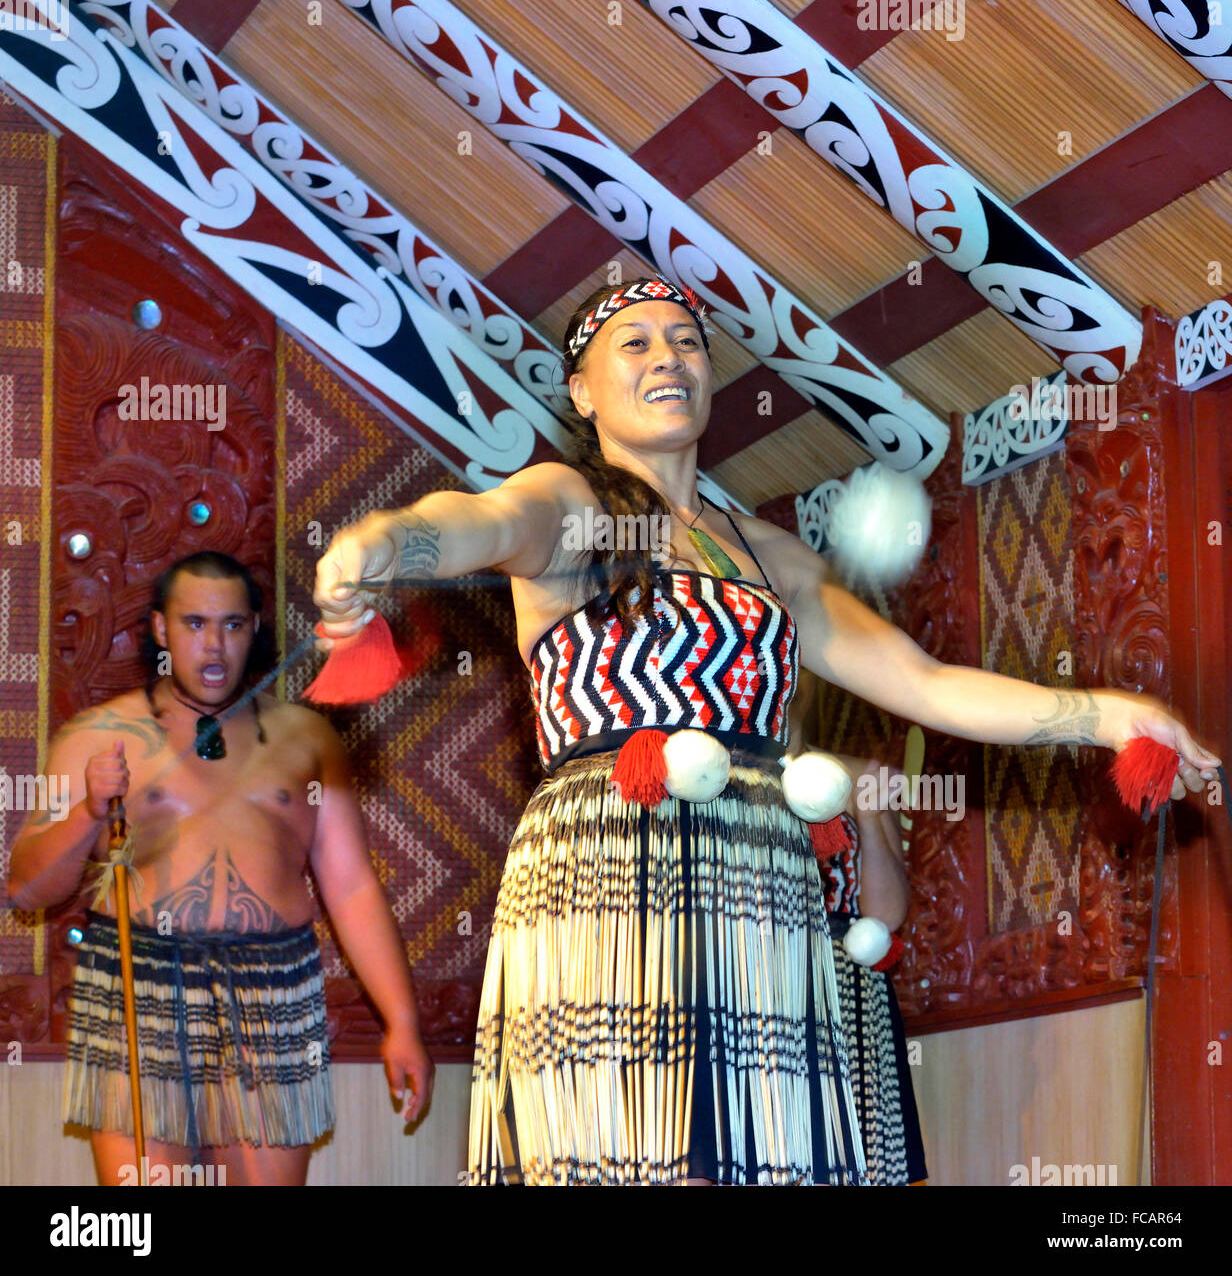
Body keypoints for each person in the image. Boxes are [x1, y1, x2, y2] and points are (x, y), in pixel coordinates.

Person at [312, 275, 1220, 1186]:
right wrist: (381, 549)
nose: (667, 356)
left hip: (762, 881)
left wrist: (1107, 714)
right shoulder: (570, 507)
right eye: (635, 343)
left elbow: (928, 684)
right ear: (582, 393)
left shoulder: (770, 556)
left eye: (686, 341)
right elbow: (471, 522)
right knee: (635, 1155)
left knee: (755, 1157)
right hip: (609, 871)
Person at [8, 551, 433, 1186]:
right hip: (137, 983)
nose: (215, 644)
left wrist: (402, 1022)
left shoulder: (306, 739)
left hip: (273, 988)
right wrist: (88, 811)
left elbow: (351, 888)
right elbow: (25, 888)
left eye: (233, 625)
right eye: (195, 624)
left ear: (255, 628)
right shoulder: (98, 737)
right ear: (159, 629)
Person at [787, 668, 926, 1185]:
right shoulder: (725, 784)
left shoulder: (856, 776)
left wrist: (867, 817)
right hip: (764, 976)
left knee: (856, 1151)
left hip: (850, 988)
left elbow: (887, 918)